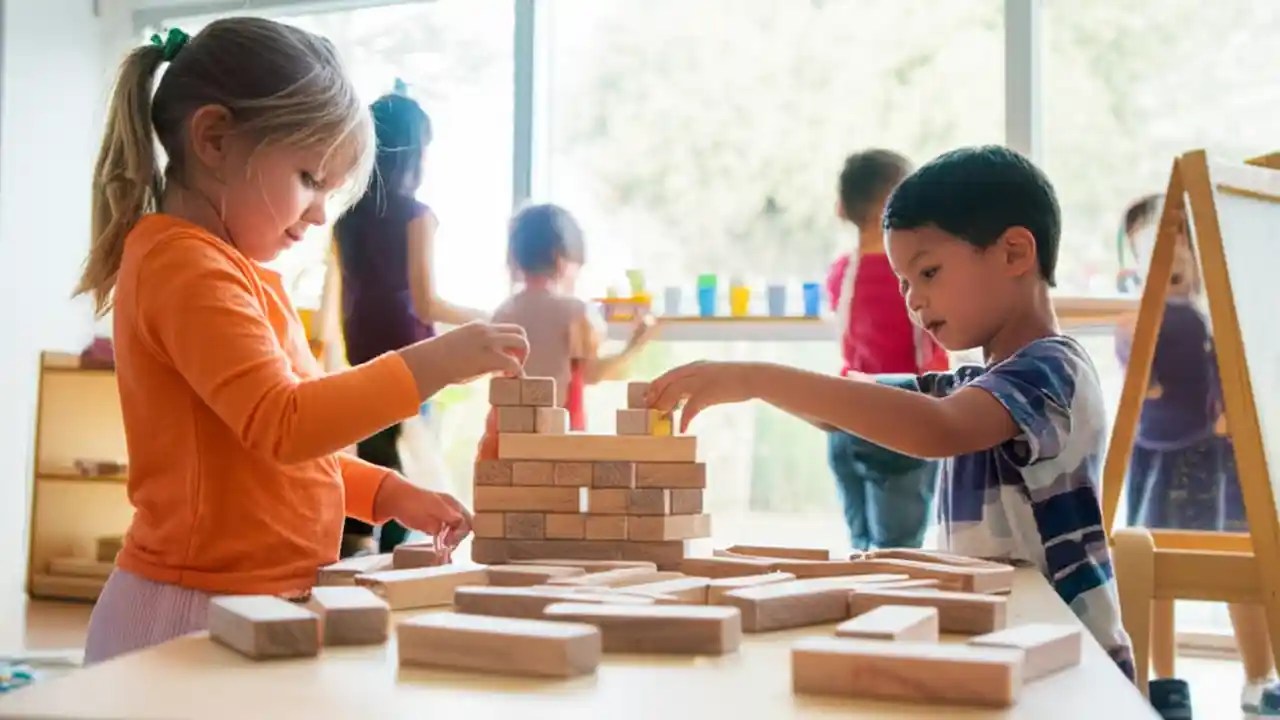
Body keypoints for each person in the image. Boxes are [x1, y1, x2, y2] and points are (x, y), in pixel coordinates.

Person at [72, 19, 527, 665]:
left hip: (241, 604)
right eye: (311, 178)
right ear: (215, 139)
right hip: (186, 613)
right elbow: (282, 425)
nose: (320, 213)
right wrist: (433, 363)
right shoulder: (185, 266)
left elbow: (275, 455)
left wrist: (384, 492)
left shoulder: (234, 274)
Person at [644, 145, 1134, 677]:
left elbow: (937, 428)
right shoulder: (972, 383)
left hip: (1073, 661)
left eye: (928, 273)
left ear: (1014, 253)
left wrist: (754, 377)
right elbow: (849, 405)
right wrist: (748, 383)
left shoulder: (1051, 371)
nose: (912, 301)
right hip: (1014, 646)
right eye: (904, 283)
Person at [1115, 195, 1275, 712]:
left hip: (1219, 454)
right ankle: (1164, 681)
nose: (1175, 249)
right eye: (1160, 240)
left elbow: (1235, 370)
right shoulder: (1149, 316)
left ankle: (1259, 676)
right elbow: (1145, 378)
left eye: (1183, 236)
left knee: (1239, 570)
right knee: (1155, 573)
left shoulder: (1218, 307)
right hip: (1162, 454)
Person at [334, 92, 488, 557]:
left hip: (362, 344)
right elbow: (426, 301)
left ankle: (357, 551)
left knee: (377, 457)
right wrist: (484, 317)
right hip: (408, 352)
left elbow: (349, 293)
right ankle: (406, 555)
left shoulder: (347, 219)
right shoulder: (417, 216)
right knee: (416, 461)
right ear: (416, 153)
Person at [825, 149, 948, 550]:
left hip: (843, 419)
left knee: (860, 548)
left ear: (843, 207)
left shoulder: (842, 272)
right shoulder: (919, 278)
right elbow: (939, 343)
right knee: (898, 555)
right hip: (898, 420)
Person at [491, 204, 655, 431]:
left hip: (508, 433)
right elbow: (592, 374)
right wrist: (636, 344)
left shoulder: (503, 312)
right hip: (558, 434)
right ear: (561, 260)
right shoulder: (574, 311)